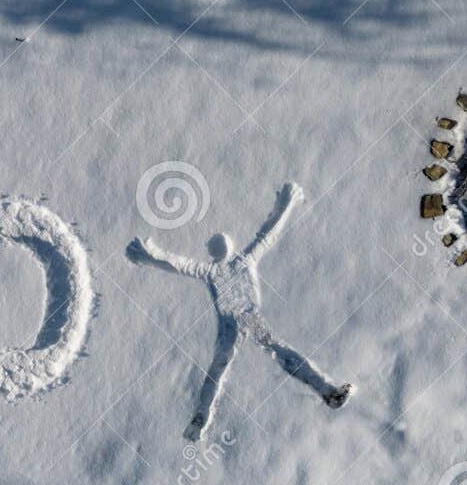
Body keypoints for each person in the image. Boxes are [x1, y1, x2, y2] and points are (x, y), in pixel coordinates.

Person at [127, 182, 351, 440]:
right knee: (242, 361)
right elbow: (180, 264)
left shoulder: (234, 264)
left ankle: (326, 391)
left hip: (242, 318)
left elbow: (266, 235)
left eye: (215, 245)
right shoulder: (219, 268)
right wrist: (150, 256)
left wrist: (287, 204)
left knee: (237, 362)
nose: (214, 250)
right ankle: (201, 418)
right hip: (235, 322)